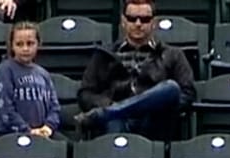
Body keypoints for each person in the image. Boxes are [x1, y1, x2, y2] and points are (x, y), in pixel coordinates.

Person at [75, 0, 197, 141]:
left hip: (154, 120)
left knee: (171, 88)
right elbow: (85, 94)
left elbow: (188, 93)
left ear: (153, 22)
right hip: (116, 121)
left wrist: (153, 106)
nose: (138, 24)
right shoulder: (104, 55)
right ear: (123, 21)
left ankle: (108, 113)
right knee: (115, 120)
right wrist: (109, 104)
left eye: (145, 19)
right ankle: (114, 112)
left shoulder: (173, 54)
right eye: (132, 19)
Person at [0, 21, 62, 138]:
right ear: (12, 45)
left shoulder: (43, 74)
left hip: (43, 133)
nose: (25, 48)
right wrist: (26, 130)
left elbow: (54, 107)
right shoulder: (5, 70)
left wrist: (48, 126)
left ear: (38, 44)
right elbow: (5, 108)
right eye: (19, 44)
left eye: (30, 43)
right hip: (12, 135)